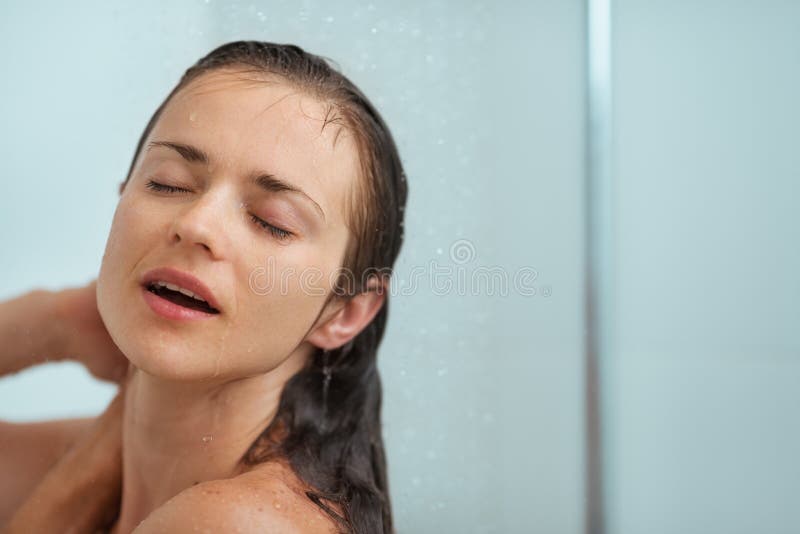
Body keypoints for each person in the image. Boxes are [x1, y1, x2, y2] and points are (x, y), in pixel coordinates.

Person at [0, 40, 408, 534]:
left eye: (272, 222)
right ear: (121, 197)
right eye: (168, 184)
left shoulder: (242, 524)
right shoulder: (74, 464)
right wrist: (57, 321)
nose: (196, 224)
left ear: (345, 312)